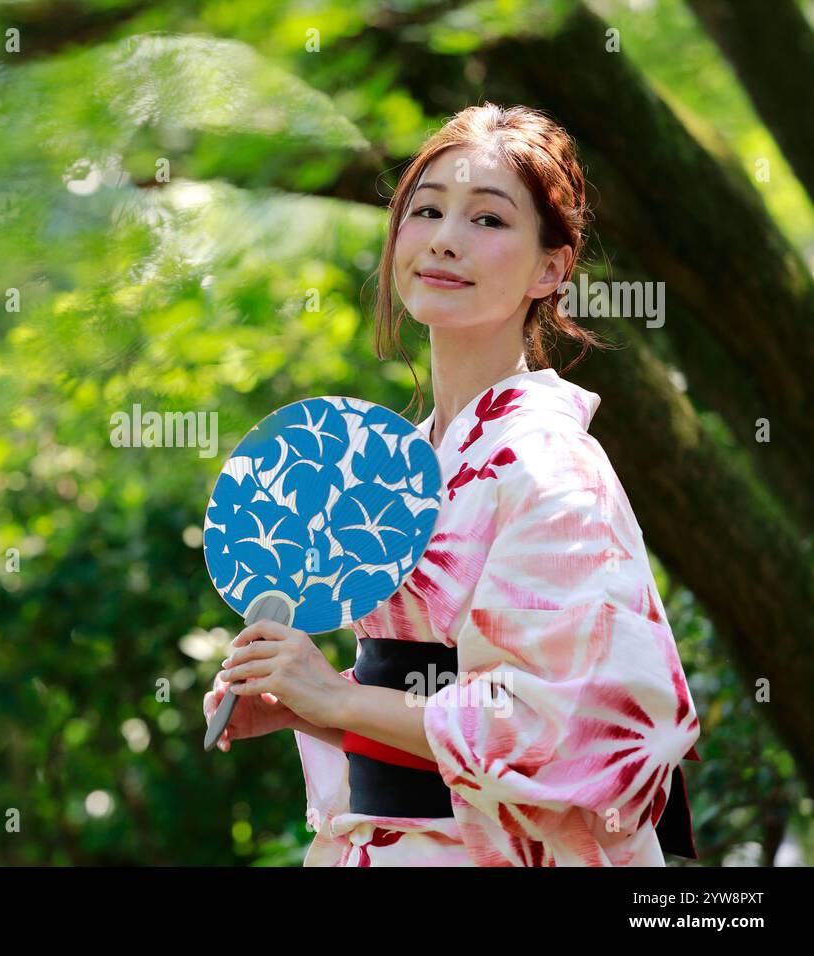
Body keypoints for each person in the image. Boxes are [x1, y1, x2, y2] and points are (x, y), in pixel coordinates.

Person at [202, 103, 701, 866]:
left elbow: (565, 725)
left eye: (488, 220)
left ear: (551, 268)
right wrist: (304, 707)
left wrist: (338, 699)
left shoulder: (546, 463)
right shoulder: (410, 458)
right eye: (426, 210)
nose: (443, 238)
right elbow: (437, 718)